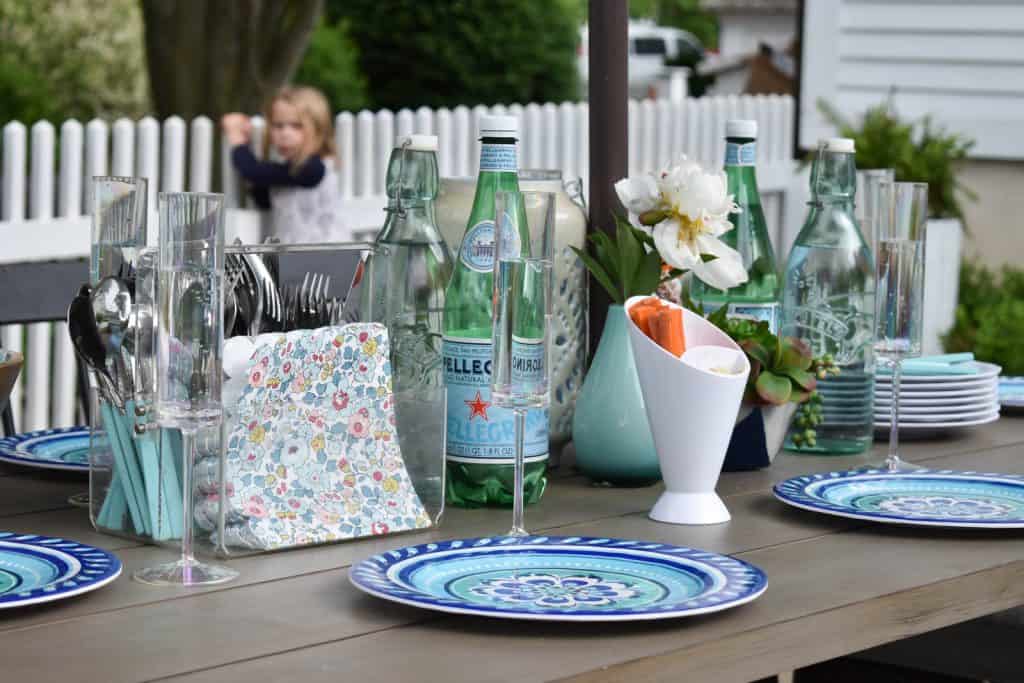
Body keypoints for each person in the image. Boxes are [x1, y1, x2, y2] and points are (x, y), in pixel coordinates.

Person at [221, 86, 345, 243]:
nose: (285, 133)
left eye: (297, 126)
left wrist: (237, 140)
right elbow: (265, 200)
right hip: (297, 251)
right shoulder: (291, 171)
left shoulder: (314, 168)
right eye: (278, 125)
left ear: (318, 130)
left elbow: (253, 172)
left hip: (326, 252)